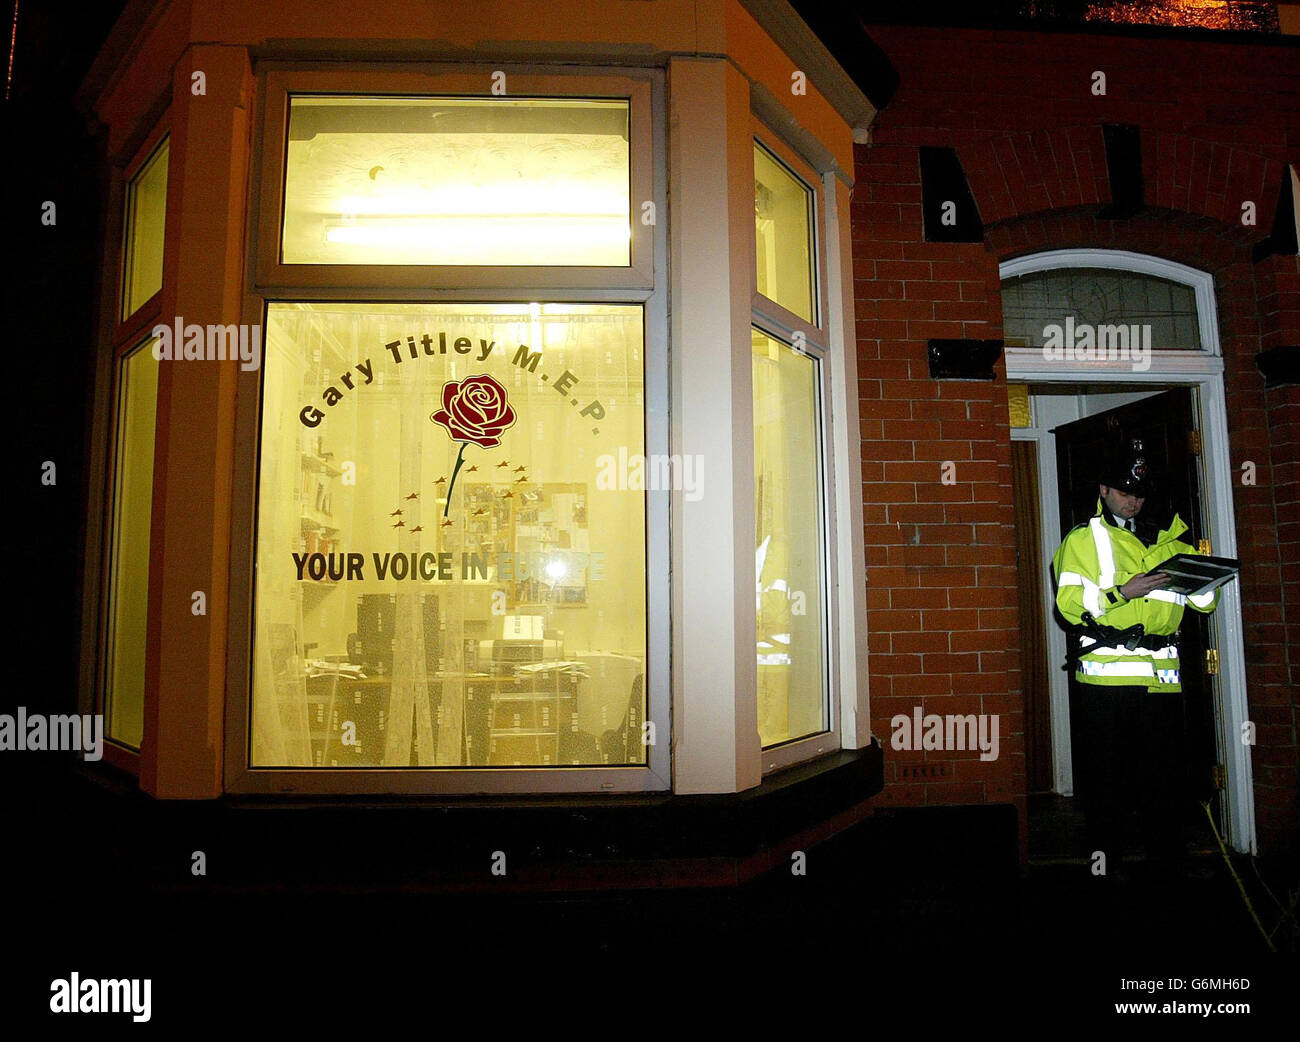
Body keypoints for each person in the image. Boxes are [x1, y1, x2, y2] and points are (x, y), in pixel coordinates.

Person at [1051, 437, 1219, 877]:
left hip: (1163, 683)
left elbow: (1203, 607)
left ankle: (1168, 870)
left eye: (1139, 494)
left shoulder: (1174, 538)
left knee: (1163, 786)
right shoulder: (1084, 541)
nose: (1133, 502)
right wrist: (1123, 592)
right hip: (1108, 685)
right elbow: (1069, 607)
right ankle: (1102, 870)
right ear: (1103, 490)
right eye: (1124, 492)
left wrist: (1202, 583)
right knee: (1107, 787)